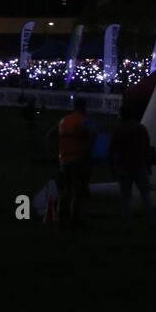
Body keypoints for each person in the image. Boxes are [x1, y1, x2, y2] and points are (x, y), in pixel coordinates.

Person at [111, 101, 156, 229]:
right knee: (146, 196)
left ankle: (127, 224)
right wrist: (148, 165)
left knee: (126, 198)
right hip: (139, 165)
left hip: (123, 167)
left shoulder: (118, 129)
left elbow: (112, 149)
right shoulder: (140, 128)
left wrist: (113, 166)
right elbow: (147, 148)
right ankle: (151, 223)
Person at [53, 97, 95, 232]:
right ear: (83, 107)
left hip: (64, 159)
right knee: (80, 190)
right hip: (79, 158)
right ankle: (75, 218)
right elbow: (92, 137)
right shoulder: (84, 121)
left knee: (66, 189)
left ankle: (60, 216)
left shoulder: (64, 121)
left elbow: (53, 137)